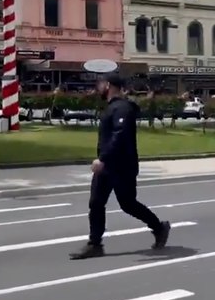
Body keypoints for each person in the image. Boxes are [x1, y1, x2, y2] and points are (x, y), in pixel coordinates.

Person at [70, 73, 170, 260]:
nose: (98, 88)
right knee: (96, 203)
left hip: (121, 166)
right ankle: (95, 244)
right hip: (107, 166)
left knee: (128, 204)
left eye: (100, 84)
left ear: (108, 85)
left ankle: (159, 227)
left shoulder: (122, 109)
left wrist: (103, 159)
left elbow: (120, 134)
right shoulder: (112, 108)